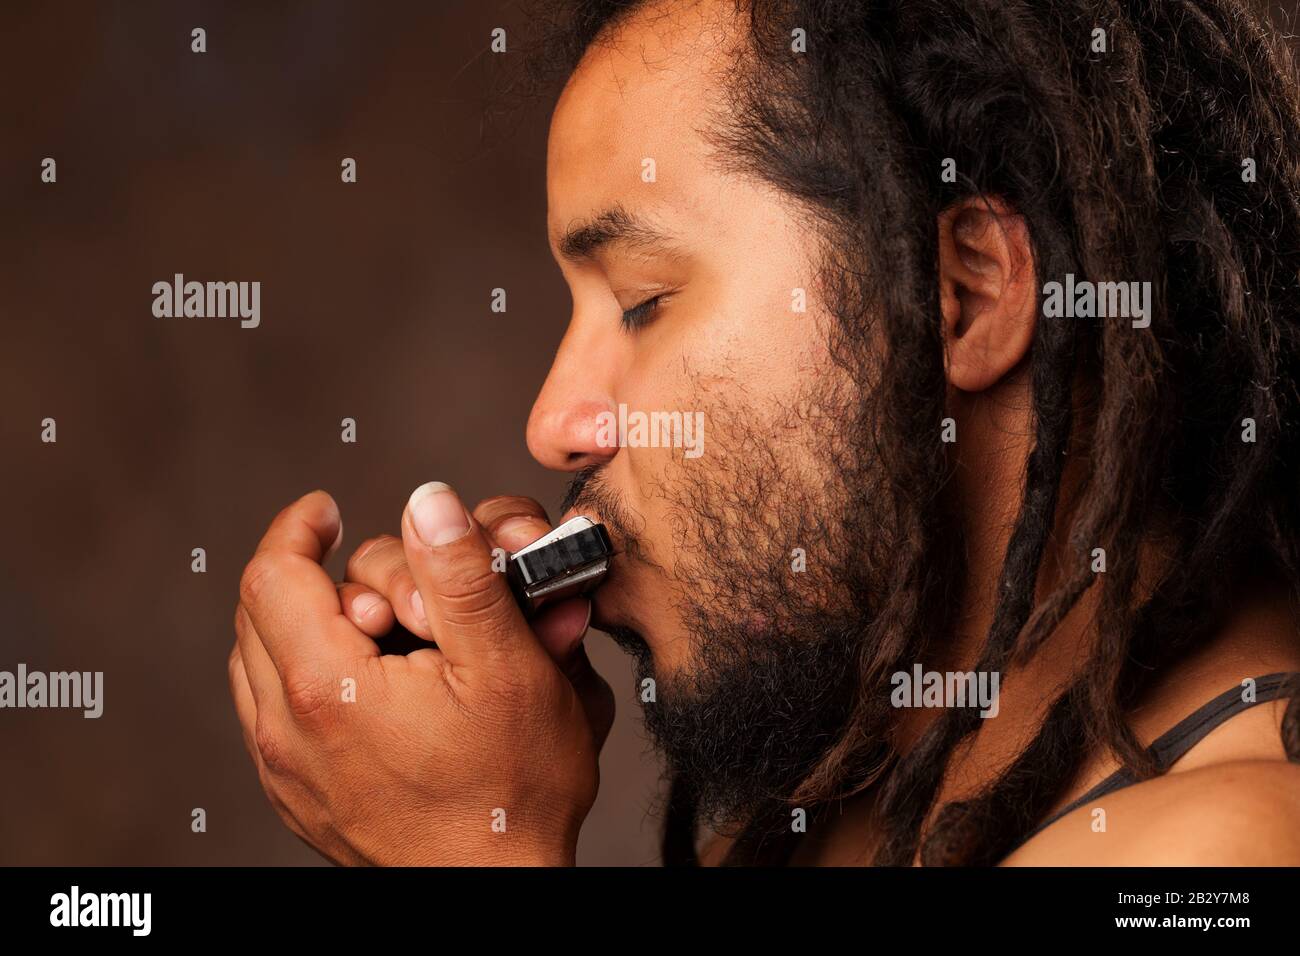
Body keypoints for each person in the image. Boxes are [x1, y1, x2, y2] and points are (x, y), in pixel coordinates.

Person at [228, 0, 1300, 866]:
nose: (553, 424)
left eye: (643, 300)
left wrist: (468, 846)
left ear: (962, 292)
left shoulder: (1232, 845)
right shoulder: (855, 804)